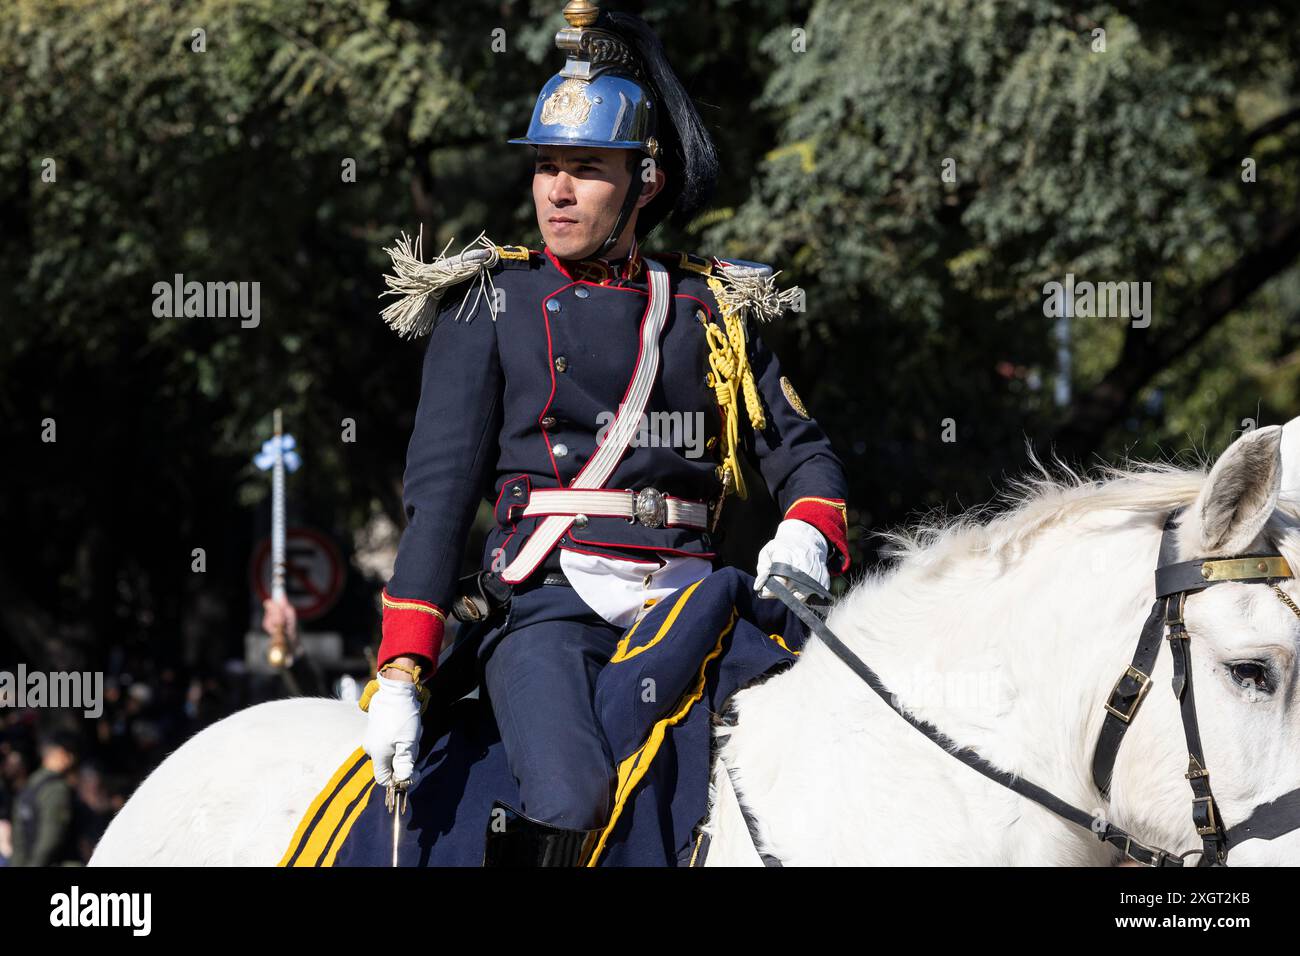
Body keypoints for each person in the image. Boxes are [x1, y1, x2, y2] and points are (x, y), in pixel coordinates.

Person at [362, 1, 852, 866]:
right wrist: (402, 666)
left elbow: (803, 452)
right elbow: (437, 506)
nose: (556, 190)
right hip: (551, 607)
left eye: (585, 169)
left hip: (695, 601)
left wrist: (808, 531)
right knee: (570, 793)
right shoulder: (491, 302)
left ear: (645, 181)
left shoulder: (713, 308)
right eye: (546, 167)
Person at [10, 730, 80, 867]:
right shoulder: (56, 788)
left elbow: (18, 841)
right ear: (60, 753)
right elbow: (51, 838)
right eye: (69, 752)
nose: (72, 758)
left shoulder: (29, 786)